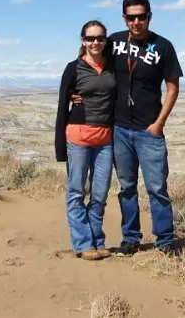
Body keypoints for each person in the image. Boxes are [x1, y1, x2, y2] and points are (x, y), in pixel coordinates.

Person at [73, 0, 183, 256]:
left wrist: (159, 123)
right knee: (127, 187)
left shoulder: (163, 46)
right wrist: (75, 91)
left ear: (149, 17)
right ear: (124, 18)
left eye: (141, 17)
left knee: (157, 188)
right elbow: (90, 59)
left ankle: (165, 240)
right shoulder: (114, 42)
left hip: (149, 131)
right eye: (131, 17)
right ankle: (131, 238)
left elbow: (173, 87)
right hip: (120, 129)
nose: (136, 22)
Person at [54, 20, 116, 261]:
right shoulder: (73, 68)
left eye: (100, 37)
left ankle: (98, 240)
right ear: (82, 40)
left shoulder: (112, 67)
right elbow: (62, 107)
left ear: (105, 40)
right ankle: (82, 243)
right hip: (77, 137)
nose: (95, 42)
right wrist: (60, 148)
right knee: (77, 192)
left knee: (100, 193)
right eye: (90, 38)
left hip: (105, 139)